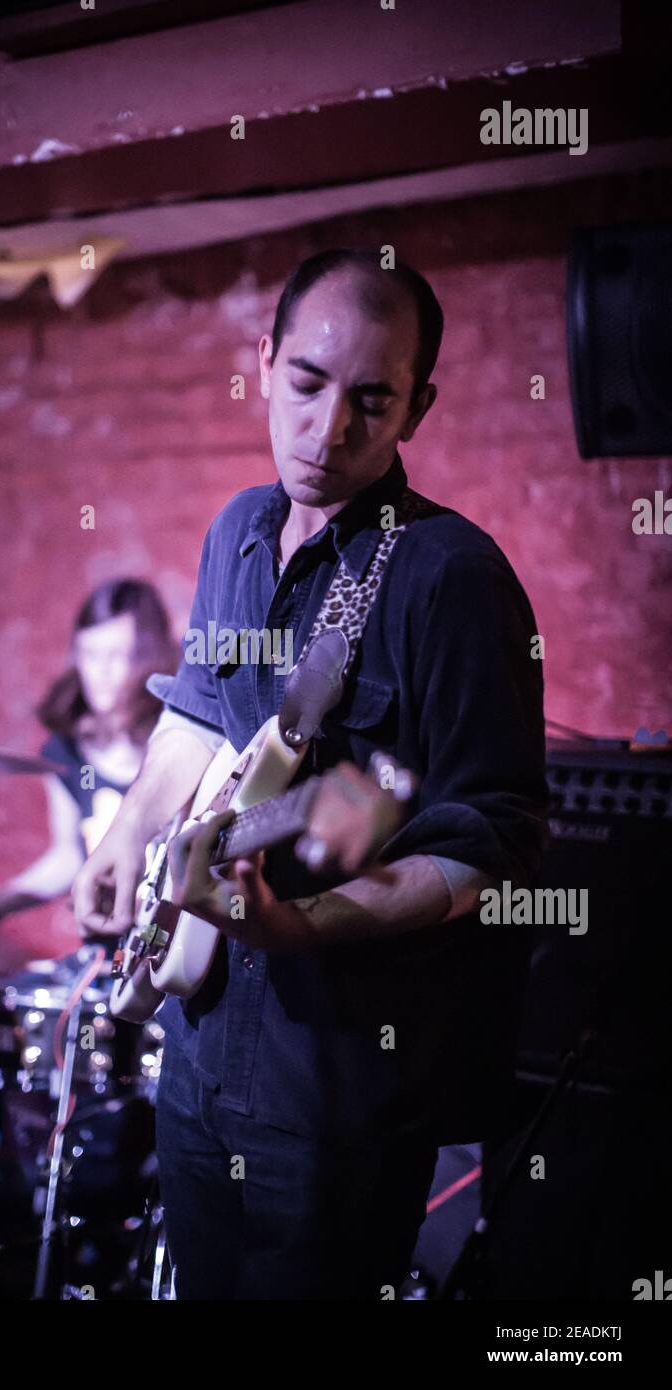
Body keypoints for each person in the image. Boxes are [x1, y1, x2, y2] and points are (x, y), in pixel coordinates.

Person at [73, 248, 549, 1300]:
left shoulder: (451, 580)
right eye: (305, 384)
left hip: (336, 1096)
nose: (329, 430)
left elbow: (495, 840)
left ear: (414, 409)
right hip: (196, 1052)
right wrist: (126, 827)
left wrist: (308, 923)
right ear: (264, 363)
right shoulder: (236, 534)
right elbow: (200, 714)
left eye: (371, 401)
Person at [0, 579, 176, 935]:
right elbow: (69, 855)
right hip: (108, 947)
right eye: (89, 655)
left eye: (118, 655)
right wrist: (6, 899)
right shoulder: (66, 750)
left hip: (173, 941)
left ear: (153, 654)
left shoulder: (181, 740)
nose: (100, 672)